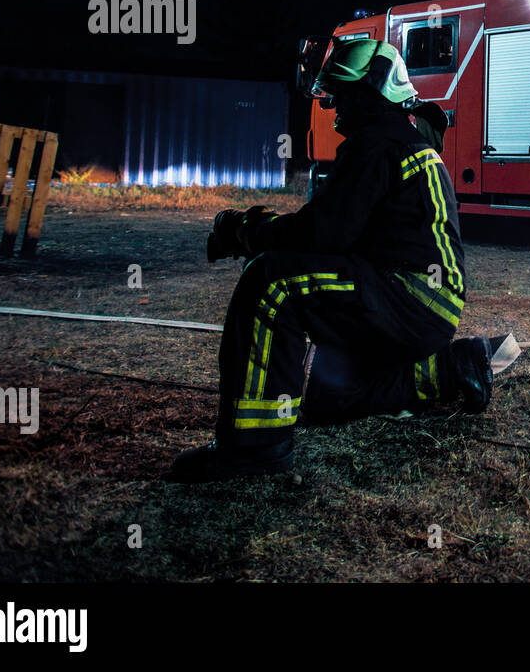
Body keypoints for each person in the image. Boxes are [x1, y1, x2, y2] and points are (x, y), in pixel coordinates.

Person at [167, 37, 492, 483]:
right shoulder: (401, 137)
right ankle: (449, 370)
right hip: (423, 307)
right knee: (327, 397)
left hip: (405, 297)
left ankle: (251, 449)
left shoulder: (377, 142)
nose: (332, 105)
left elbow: (322, 234)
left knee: (270, 281)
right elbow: (339, 234)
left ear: (372, 90)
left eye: (342, 93)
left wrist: (249, 231)